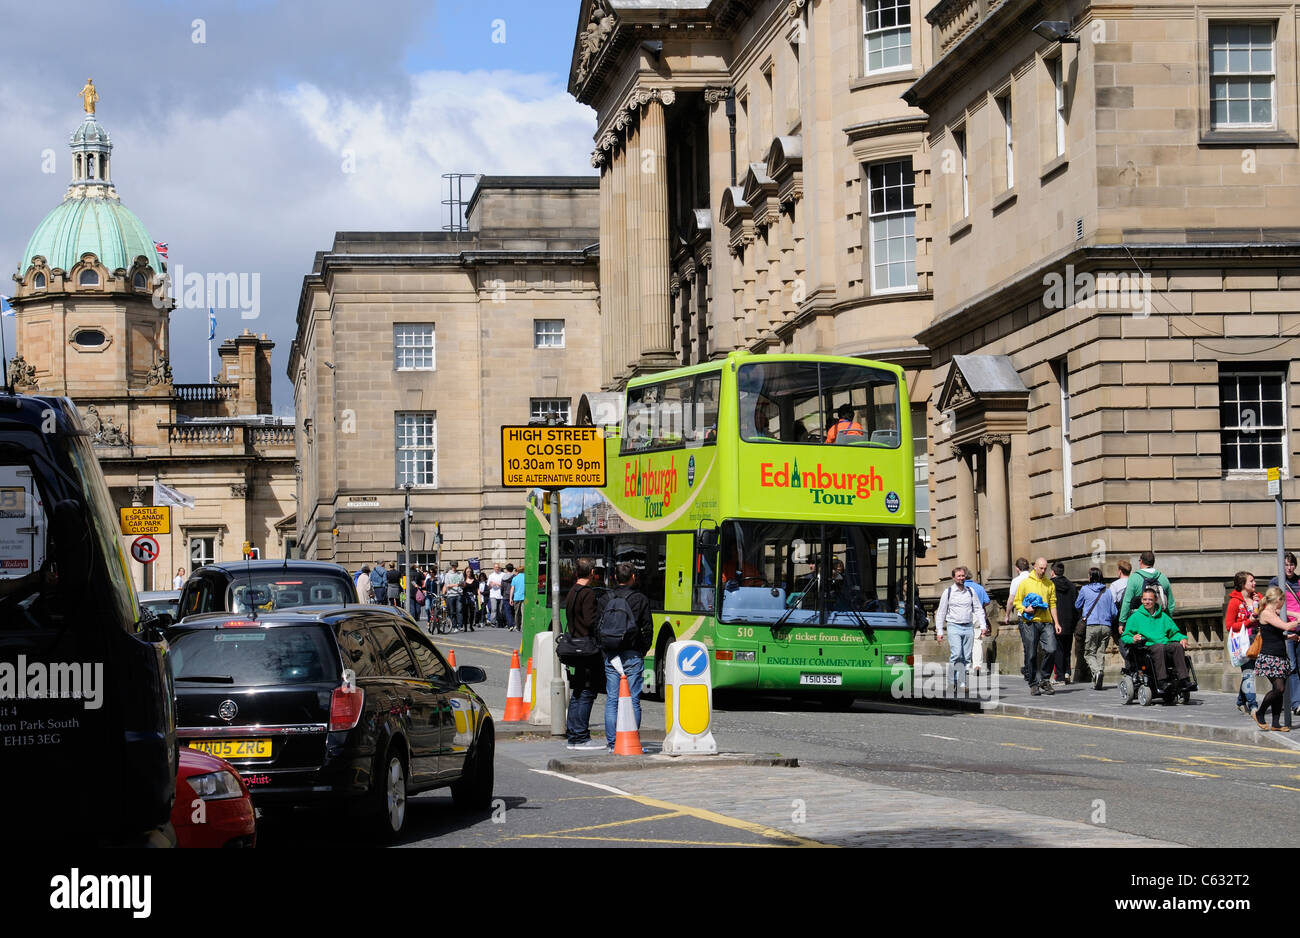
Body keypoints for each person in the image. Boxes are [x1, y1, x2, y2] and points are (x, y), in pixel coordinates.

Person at [597, 562, 653, 752]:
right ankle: (630, 740)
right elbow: (647, 628)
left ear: (614, 578)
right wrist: (642, 650)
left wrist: (604, 649)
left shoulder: (605, 598)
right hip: (632, 653)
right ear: (634, 577)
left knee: (612, 699)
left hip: (611, 655)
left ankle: (613, 743)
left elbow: (598, 627)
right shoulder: (640, 599)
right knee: (633, 699)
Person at [563, 559, 606, 750]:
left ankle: (573, 734)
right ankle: (581, 736)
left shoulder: (573, 591)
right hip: (587, 649)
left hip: (574, 645)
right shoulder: (588, 593)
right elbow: (590, 621)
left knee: (578, 691)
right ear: (592, 572)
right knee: (587, 692)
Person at [1122, 586, 1190, 693]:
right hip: (1146, 648)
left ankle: (1184, 680)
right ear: (1141, 600)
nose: (1147, 602)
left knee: (1177, 646)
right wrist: (1133, 638)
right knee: (1159, 647)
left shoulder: (1163, 616)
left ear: (1155, 600)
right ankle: (1162, 681)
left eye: (1150, 599)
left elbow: (1174, 632)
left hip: (1163, 645)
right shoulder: (1135, 617)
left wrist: (1182, 638)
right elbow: (1125, 636)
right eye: (1144, 599)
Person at [934, 565, 988, 694]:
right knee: (956, 654)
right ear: (953, 578)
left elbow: (979, 609)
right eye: (958, 576)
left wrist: (983, 625)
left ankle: (962, 684)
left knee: (966, 657)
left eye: (963, 576)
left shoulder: (970, 591)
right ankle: (952, 682)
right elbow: (941, 612)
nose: (961, 578)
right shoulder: (948, 592)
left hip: (968, 626)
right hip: (953, 626)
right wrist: (939, 631)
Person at [1253, 586, 1299, 732]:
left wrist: (1289, 636)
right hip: (1270, 657)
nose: (1283, 604)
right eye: (1283, 600)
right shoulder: (1266, 613)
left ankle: (1275, 723)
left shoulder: (1274, 612)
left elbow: (1274, 633)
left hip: (1280, 656)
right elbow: (1285, 625)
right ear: (1278, 600)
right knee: (1279, 688)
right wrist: (1297, 621)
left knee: (1278, 691)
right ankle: (1260, 713)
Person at [1012, 557, 1061, 695]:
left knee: (1051, 649)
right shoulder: (1025, 583)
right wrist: (1025, 609)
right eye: (1041, 568)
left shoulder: (1049, 584)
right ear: (1034, 567)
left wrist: (1056, 622)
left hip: (1046, 622)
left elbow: (1053, 604)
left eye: (1045, 568)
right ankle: (1033, 683)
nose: (1043, 570)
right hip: (1030, 622)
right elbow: (1017, 602)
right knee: (1031, 653)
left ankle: (1045, 679)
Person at [1075, 567, 1118, 689]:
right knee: (1100, 652)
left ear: (1090, 577)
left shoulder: (1085, 589)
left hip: (1092, 625)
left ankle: (1097, 671)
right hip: (1106, 626)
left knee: (1089, 652)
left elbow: (1077, 604)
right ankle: (1099, 678)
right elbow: (1114, 611)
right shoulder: (1108, 591)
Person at [1225, 571, 1261, 716]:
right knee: (1248, 673)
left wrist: (1262, 604)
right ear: (1242, 585)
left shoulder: (1258, 598)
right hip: (1244, 641)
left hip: (1258, 639)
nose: (1254, 583)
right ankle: (1253, 705)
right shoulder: (1234, 601)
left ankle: (1241, 701)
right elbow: (1229, 626)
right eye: (1251, 581)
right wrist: (1248, 622)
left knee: (1251, 673)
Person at [1268, 553, 1300, 715]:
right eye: (1286, 564)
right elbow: (1273, 606)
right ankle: (1296, 703)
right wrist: (1293, 614)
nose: (1289, 568)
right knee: (1292, 667)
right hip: (1286, 629)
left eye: (1292, 564)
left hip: (1299, 629)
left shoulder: (1299, 581)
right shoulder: (1275, 583)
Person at [1118, 551, 1174, 629]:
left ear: (1141, 561)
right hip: (1159, 620)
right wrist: (1168, 620)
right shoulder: (1163, 577)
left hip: (1140, 622)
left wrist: (1122, 622)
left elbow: (1127, 601)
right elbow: (1170, 604)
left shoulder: (1134, 578)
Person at [1050, 562, 1079, 683]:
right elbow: (1077, 605)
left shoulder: (1050, 585)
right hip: (1070, 621)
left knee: (1058, 649)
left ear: (1052, 572)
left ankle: (1060, 676)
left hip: (1056, 621)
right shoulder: (1072, 586)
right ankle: (1067, 672)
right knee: (1067, 649)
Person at [1005, 557, 1031, 627]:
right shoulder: (1034, 578)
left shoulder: (1016, 581)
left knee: (1027, 638)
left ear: (1017, 568)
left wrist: (1007, 615)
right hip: (1038, 613)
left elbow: (1011, 600)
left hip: (1023, 613)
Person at [442, 561, 464, 632]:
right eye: (453, 566)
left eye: (455, 566)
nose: (454, 567)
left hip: (458, 594)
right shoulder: (448, 575)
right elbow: (447, 585)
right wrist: (456, 584)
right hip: (450, 595)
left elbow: (462, 584)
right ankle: (454, 626)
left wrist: (461, 584)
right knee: (452, 611)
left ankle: (460, 626)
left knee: (459, 610)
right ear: (451, 566)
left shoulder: (460, 574)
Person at [488, 563, 505, 628]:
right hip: (493, 594)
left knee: (500, 610)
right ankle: (493, 622)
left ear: (500, 568)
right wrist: (491, 584)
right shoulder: (491, 575)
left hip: (501, 594)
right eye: (495, 567)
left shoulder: (503, 575)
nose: (497, 568)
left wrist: (498, 584)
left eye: (498, 567)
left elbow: (504, 585)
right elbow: (488, 586)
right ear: (494, 568)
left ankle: (500, 622)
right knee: (494, 609)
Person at [511, 561, 526, 631]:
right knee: (523, 613)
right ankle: (523, 627)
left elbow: (512, 589)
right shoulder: (526, 578)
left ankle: (517, 626)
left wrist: (510, 598)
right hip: (525, 597)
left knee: (517, 613)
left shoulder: (515, 578)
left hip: (516, 597)